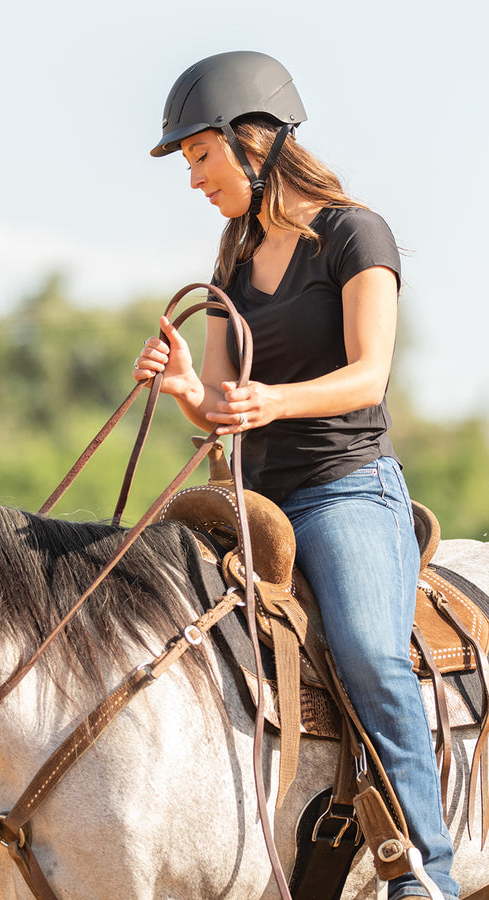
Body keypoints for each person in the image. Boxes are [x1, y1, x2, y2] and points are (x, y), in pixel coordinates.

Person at [133, 51, 457, 900]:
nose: (195, 177)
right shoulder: (232, 260)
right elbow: (216, 404)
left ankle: (429, 872)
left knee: (368, 655)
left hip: (345, 487)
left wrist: (269, 401)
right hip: (257, 498)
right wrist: (181, 390)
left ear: (256, 140)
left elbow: (368, 376)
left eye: (201, 154)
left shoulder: (356, 233)